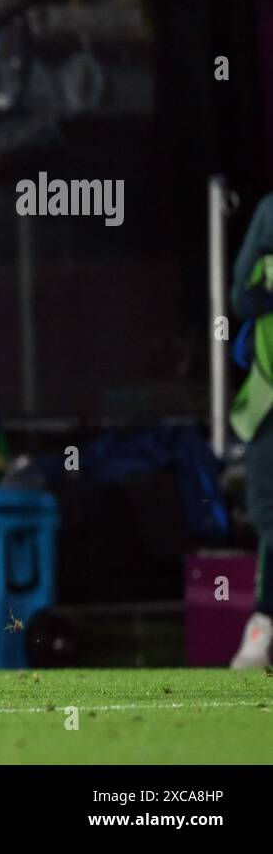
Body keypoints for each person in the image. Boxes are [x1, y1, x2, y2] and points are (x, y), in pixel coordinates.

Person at [229, 191, 273, 668]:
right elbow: (242, 296)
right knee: (269, 510)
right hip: (270, 396)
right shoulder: (270, 213)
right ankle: (262, 626)